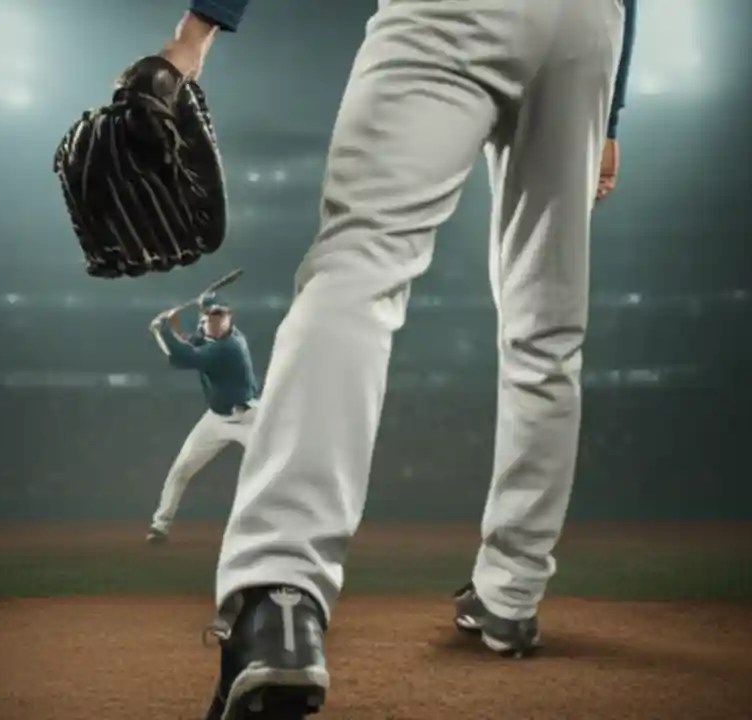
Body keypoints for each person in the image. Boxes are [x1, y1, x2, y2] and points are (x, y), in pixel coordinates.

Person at [157, 1, 639, 717]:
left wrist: (194, 32)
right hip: (587, 25)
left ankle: (280, 596)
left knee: (358, 269)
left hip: (456, 13)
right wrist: (614, 108)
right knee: (548, 328)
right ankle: (510, 595)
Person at [146, 293, 260, 544]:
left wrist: (161, 330)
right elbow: (189, 341)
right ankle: (160, 526)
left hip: (249, 419)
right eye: (211, 316)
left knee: (271, 473)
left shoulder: (229, 347)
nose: (216, 320)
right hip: (216, 418)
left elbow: (180, 357)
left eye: (221, 315)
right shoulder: (209, 335)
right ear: (204, 320)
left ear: (230, 319)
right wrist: (175, 324)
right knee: (181, 469)